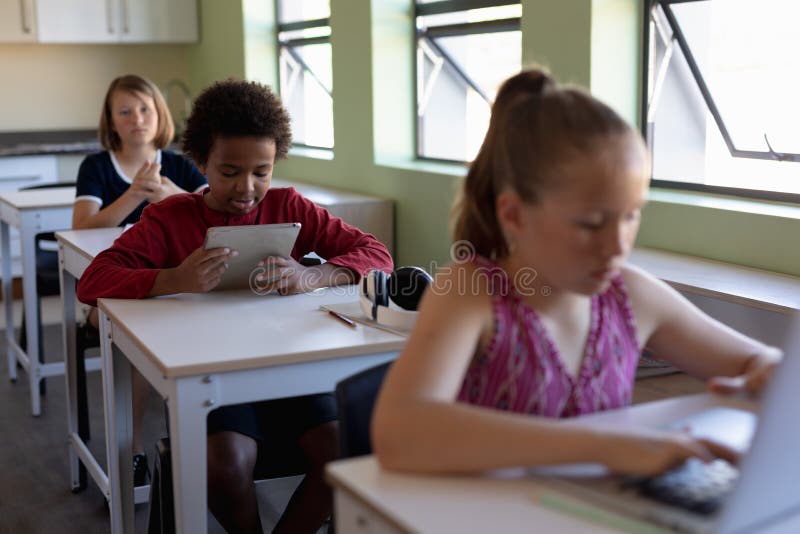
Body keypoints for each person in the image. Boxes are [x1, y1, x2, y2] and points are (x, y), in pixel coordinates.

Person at [372, 68, 781, 477]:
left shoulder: (632, 297)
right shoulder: (471, 293)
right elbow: (399, 432)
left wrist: (766, 371)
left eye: (630, 216)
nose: (617, 246)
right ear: (514, 215)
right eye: (589, 224)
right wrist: (603, 446)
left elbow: (757, 361)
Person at [77, 79, 393, 533]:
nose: (247, 188)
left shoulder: (290, 206)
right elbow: (94, 279)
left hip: (289, 368)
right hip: (214, 378)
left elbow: (377, 253)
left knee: (346, 451)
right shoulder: (170, 218)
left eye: (261, 171)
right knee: (226, 465)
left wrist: (313, 275)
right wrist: (173, 278)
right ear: (200, 161)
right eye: (228, 172)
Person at [73, 74, 208, 487]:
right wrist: (134, 194)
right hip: (112, 291)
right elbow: (81, 226)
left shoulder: (181, 165)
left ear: (159, 114)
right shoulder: (96, 166)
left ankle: (198, 445)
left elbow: (212, 217)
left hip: (173, 286)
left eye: (145, 109)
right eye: (125, 111)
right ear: (111, 121)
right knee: (135, 335)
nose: (137, 119)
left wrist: (168, 194)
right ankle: (130, 450)